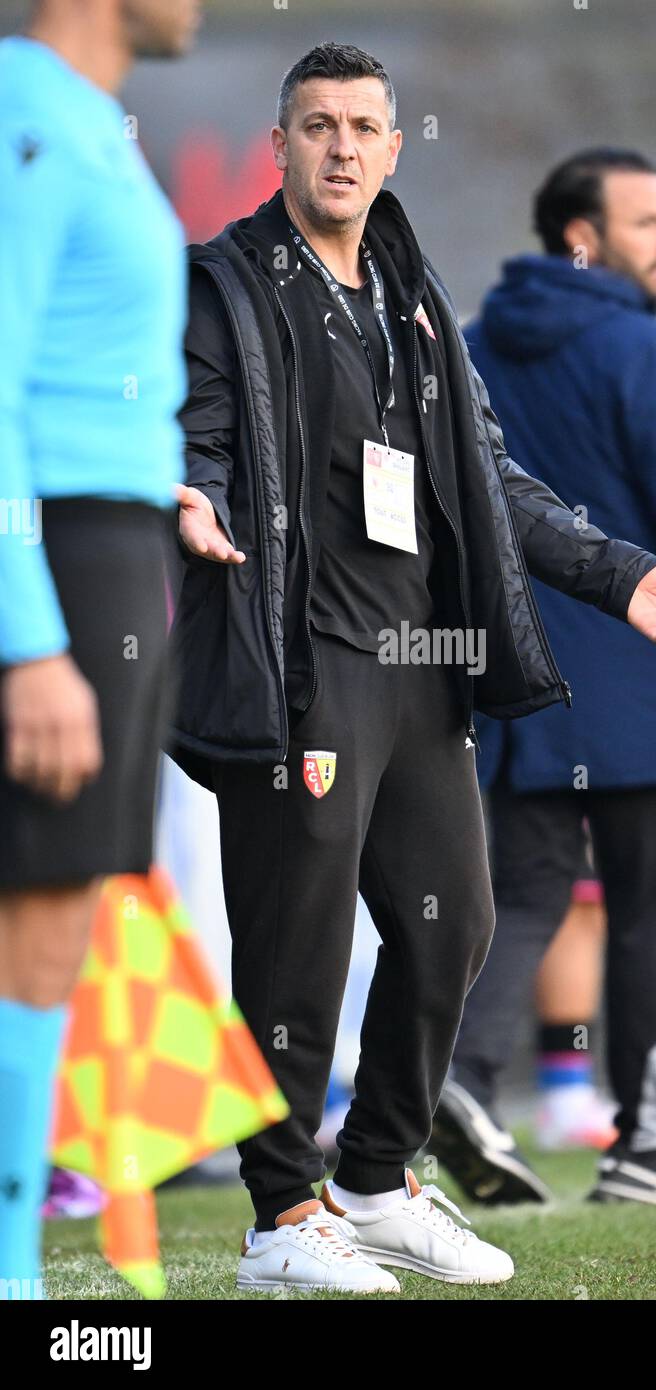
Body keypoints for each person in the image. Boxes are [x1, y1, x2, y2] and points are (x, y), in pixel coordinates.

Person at [168, 52, 656, 1292]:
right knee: (296, 952)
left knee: (452, 928)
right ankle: (280, 1218)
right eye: (317, 126)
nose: (342, 149)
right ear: (280, 145)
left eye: (364, 126)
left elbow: (489, 474)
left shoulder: (413, 298)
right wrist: (195, 500)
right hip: (296, 662)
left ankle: (375, 1174)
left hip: (421, 667)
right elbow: (194, 432)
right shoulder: (225, 285)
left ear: (394, 144)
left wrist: (615, 570)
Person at [434, 147, 656, 1209]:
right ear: (584, 238)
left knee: (529, 893)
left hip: (512, 675)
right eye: (650, 223)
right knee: (642, 907)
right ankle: (646, 1146)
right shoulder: (647, 351)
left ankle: (459, 1080)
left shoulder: (467, 348)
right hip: (642, 666)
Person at [0, 0, 200, 1299]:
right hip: (55, 558)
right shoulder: (26, 113)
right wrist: (29, 640)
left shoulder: (94, 123)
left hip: (112, 544)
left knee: (59, 917)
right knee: (33, 910)